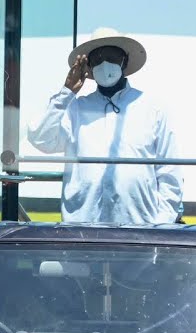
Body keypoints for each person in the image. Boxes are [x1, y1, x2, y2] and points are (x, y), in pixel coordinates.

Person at [27, 27, 181, 224]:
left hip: (141, 228)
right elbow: (41, 139)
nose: (105, 63)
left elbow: (170, 171)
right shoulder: (75, 108)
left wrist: (162, 224)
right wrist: (66, 92)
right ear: (89, 67)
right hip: (82, 228)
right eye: (97, 58)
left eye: (111, 56)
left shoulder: (152, 108)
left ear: (124, 61)